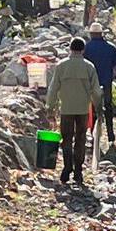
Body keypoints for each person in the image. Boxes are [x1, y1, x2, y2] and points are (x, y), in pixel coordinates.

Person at [46, 37, 104, 185]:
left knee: (66, 139)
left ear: (70, 49)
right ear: (83, 50)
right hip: (83, 109)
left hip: (66, 109)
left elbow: (53, 89)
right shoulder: (89, 67)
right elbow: (96, 91)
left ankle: (66, 168)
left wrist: (50, 108)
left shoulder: (61, 66)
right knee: (80, 139)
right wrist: (99, 108)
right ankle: (78, 171)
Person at [85, 20, 116, 147]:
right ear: (101, 34)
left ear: (91, 34)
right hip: (106, 83)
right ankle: (111, 134)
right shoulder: (110, 48)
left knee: (93, 109)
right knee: (108, 108)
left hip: (91, 84)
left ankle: (93, 135)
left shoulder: (86, 47)